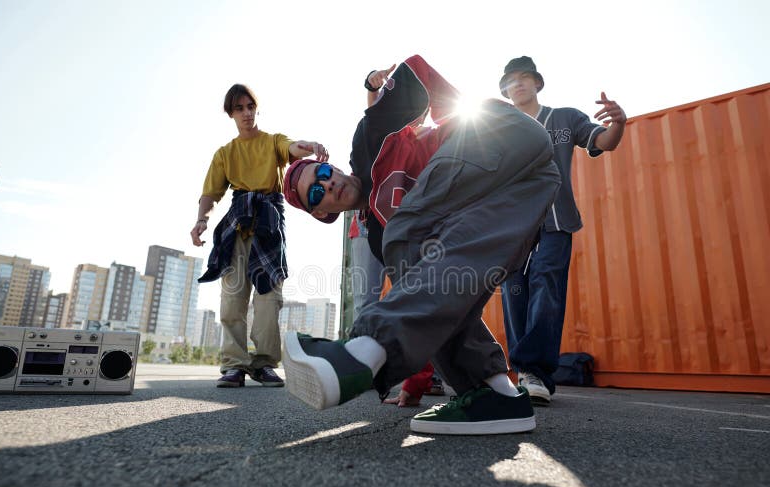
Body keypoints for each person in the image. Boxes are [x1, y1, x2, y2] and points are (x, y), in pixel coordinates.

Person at [280, 55, 562, 435]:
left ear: (337, 167)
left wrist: (466, 121)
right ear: (321, 213)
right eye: (316, 192)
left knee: (402, 239)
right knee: (435, 283)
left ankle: (361, 352)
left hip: (500, 134)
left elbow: (415, 70)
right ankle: (495, 393)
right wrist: (414, 384)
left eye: (324, 172)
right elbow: (430, 306)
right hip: (530, 186)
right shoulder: (380, 238)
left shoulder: (368, 142)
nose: (328, 184)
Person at [497, 57, 626, 405]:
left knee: (545, 284)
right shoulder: (496, 129)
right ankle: (523, 373)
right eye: (511, 80)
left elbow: (605, 141)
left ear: (537, 83)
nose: (518, 83)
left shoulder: (565, 119)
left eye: (524, 77)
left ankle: (535, 372)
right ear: (505, 91)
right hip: (510, 226)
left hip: (555, 221)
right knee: (514, 292)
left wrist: (619, 122)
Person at [191, 83, 328, 388]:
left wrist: (308, 145)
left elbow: (292, 147)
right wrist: (201, 220)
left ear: (256, 109)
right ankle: (234, 366)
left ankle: (265, 363)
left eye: (250, 107)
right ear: (231, 113)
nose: (246, 113)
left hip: (268, 227)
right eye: (239, 108)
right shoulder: (225, 153)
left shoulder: (272, 141)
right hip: (237, 228)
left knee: (269, 301)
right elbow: (211, 193)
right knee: (232, 300)